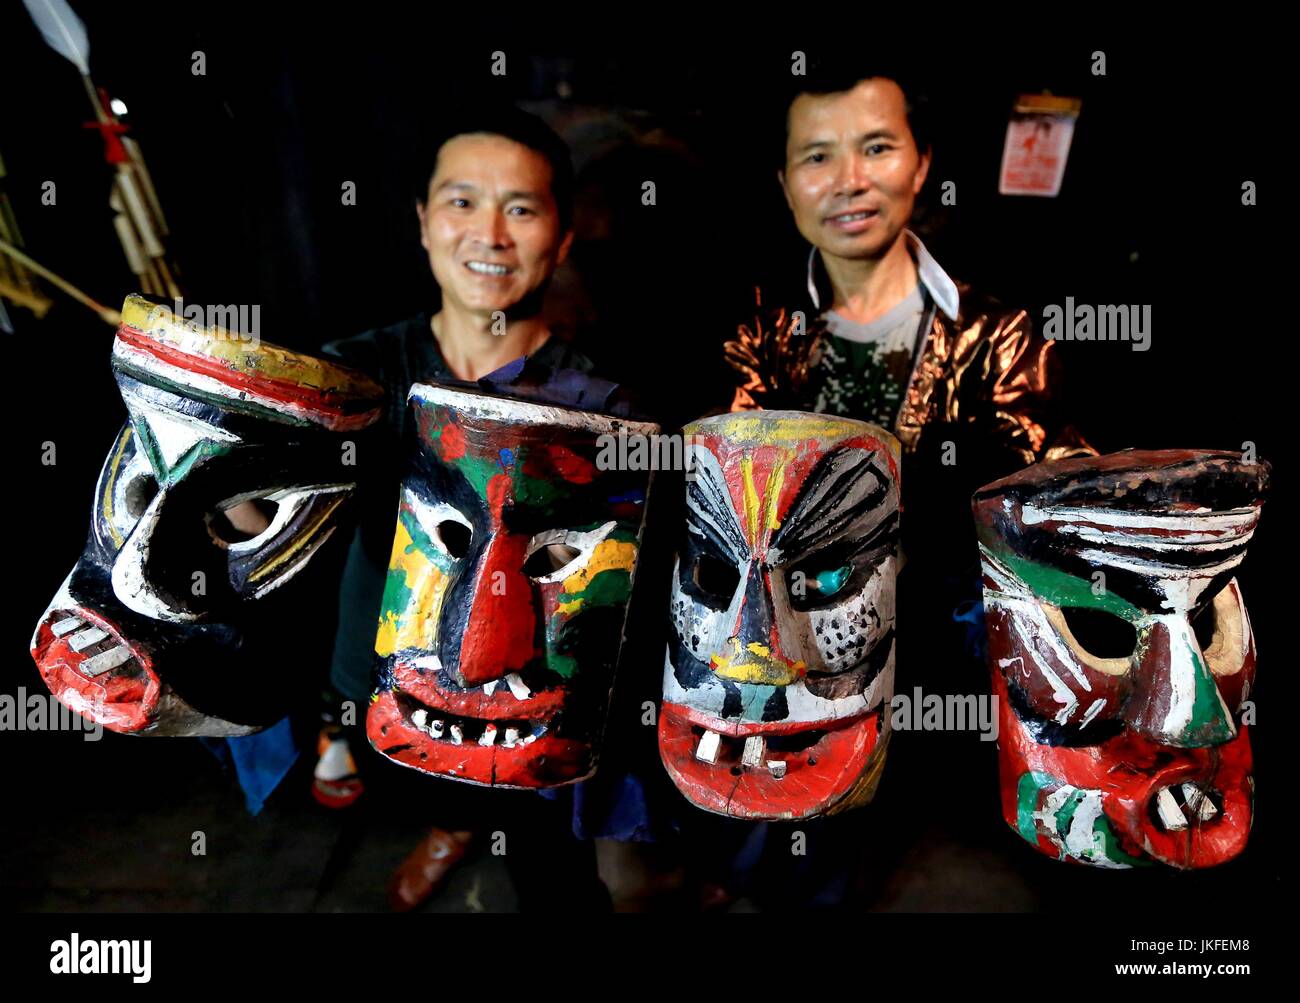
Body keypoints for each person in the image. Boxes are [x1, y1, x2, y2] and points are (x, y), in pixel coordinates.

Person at [701, 59, 1094, 910]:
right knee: (790, 843)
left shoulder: (998, 333)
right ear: (785, 182)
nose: (849, 180)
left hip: (942, 649)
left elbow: (1049, 498)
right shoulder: (761, 331)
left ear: (919, 165)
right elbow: (728, 492)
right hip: (794, 641)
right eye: (818, 156)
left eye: (876, 147)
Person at [315, 105, 610, 912]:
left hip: (535, 684)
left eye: (520, 207)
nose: (490, 232)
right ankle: (451, 826)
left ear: (563, 235)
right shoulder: (350, 375)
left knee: (554, 857)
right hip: (382, 660)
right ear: (421, 222)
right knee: (410, 774)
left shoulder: (606, 406)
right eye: (462, 201)